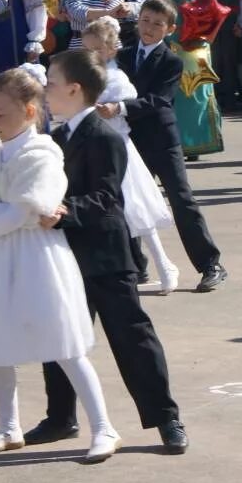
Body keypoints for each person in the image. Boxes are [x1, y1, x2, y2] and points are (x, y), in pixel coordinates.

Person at [23, 50, 189, 455]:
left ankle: (166, 417)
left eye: (52, 83)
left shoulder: (104, 135)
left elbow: (106, 198)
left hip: (107, 256)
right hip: (65, 253)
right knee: (60, 337)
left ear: (75, 90)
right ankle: (61, 417)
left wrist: (64, 212)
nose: (46, 90)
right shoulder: (57, 139)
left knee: (131, 337)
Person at [0, 66, 119, 462]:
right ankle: (8, 426)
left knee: (63, 343)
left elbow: (32, 208)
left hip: (37, 255)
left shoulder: (43, 152)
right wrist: (1, 215)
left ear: (29, 111)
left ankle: (104, 427)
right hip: (1, 258)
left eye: (1, 114)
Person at [114, 0, 227, 291]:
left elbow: (158, 100)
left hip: (162, 140)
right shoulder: (123, 55)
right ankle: (135, 267)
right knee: (128, 200)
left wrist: (120, 108)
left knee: (180, 199)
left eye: (157, 24)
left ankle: (210, 264)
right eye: (145, 20)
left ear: (170, 29)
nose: (149, 28)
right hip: (130, 140)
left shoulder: (171, 60)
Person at [83, 17, 179, 294]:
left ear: (111, 50)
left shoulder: (115, 78)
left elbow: (120, 106)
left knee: (135, 209)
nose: (92, 55)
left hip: (117, 149)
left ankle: (164, 265)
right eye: (87, 49)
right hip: (95, 150)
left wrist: (108, 109)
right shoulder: (88, 77)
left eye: (98, 50)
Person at [153, 0, 224, 158]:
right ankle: (178, 144)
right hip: (170, 51)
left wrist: (205, 39)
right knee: (175, 99)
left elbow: (213, 18)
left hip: (196, 51)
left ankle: (198, 144)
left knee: (198, 97)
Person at [205, 0, 242, 110]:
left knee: (229, 65)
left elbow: (236, 9)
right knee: (214, 64)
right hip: (211, 33)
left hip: (228, 31)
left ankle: (229, 101)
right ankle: (215, 99)